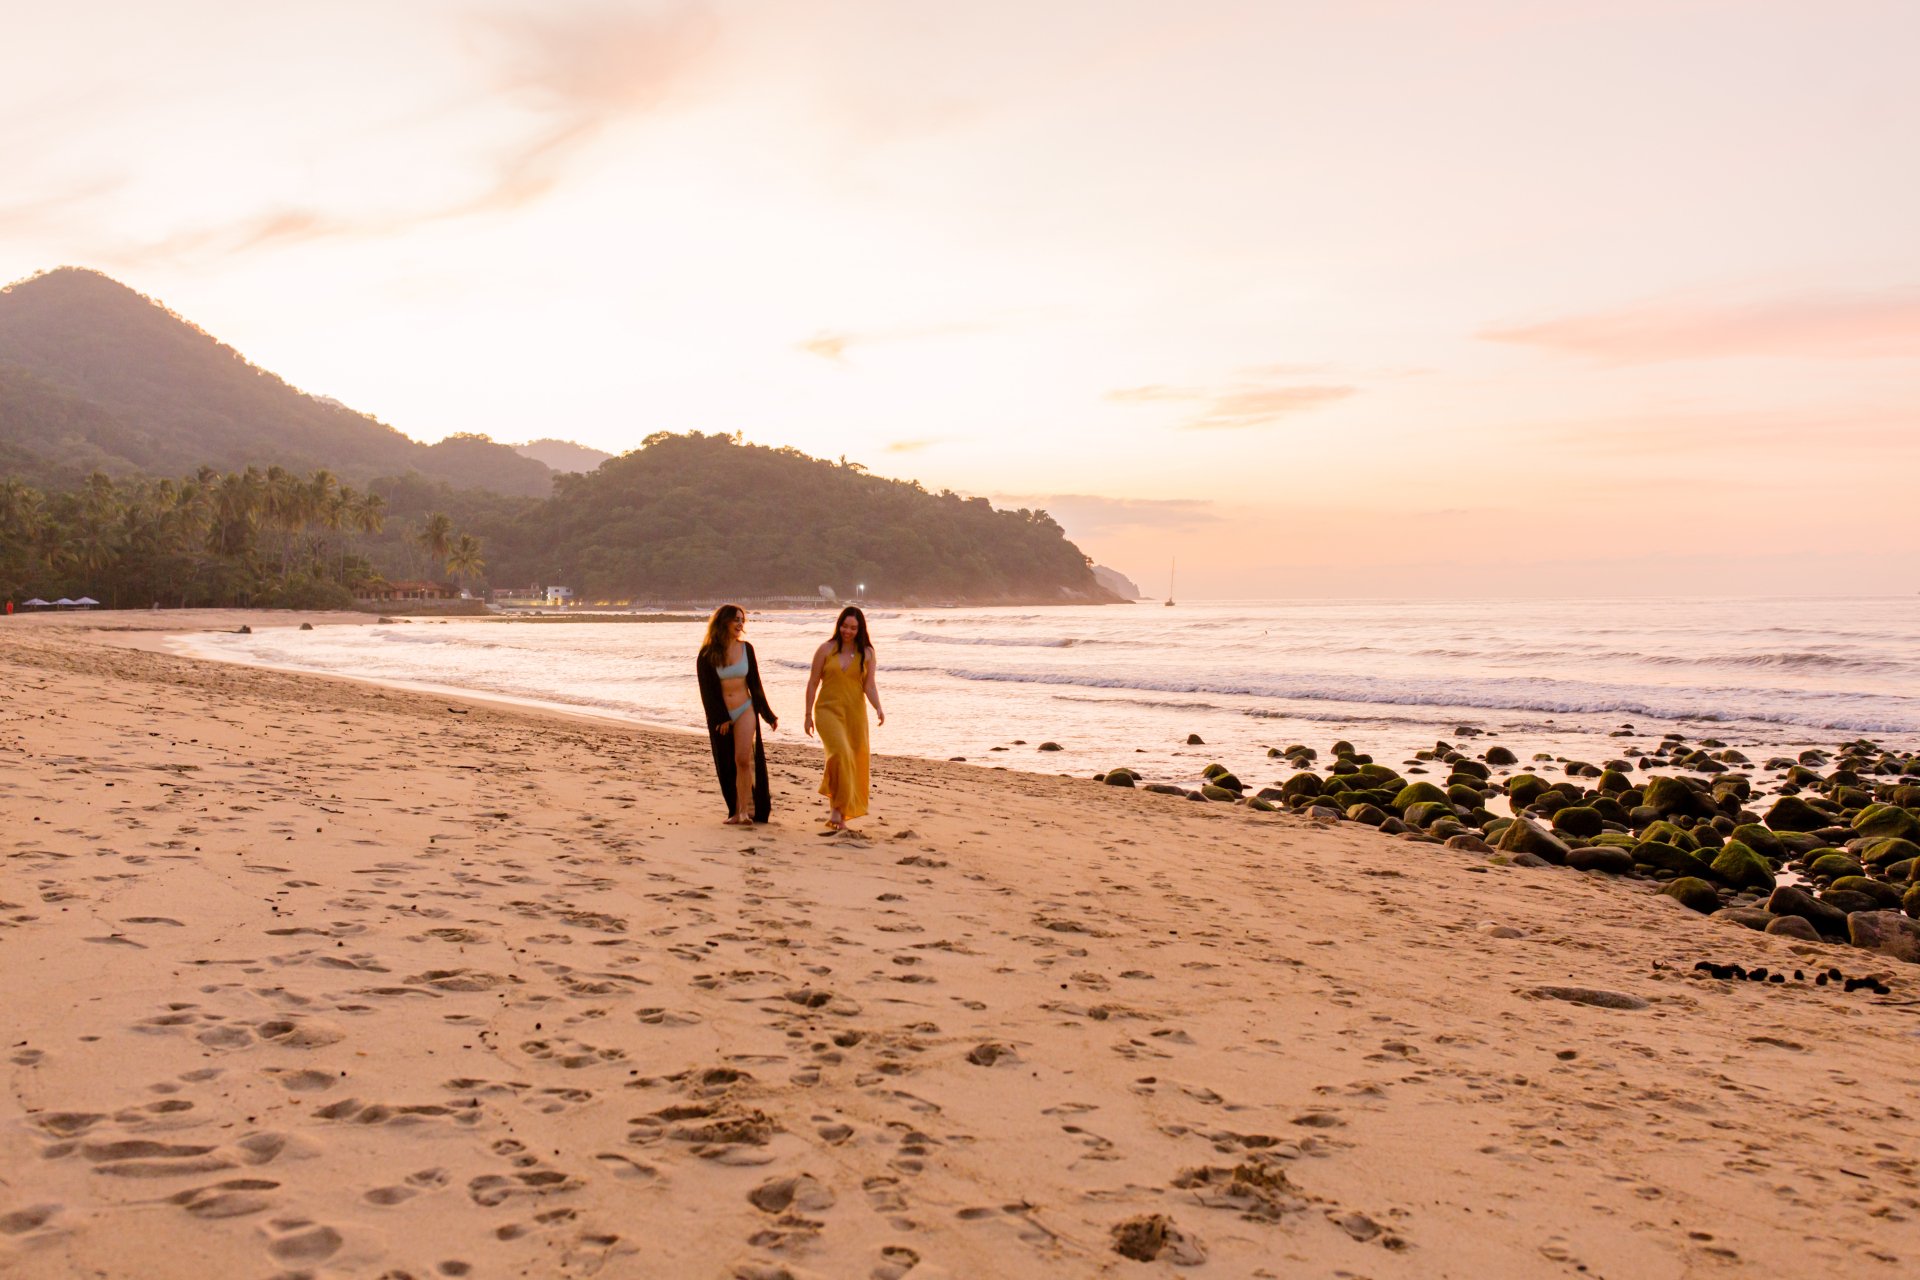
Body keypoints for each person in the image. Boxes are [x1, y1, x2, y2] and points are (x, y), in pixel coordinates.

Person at [695, 604, 778, 825]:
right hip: (723, 713)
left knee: (742, 759)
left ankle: (744, 812)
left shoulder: (746, 649)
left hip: (745, 709)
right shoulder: (707, 654)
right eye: (736, 619)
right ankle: (734, 810)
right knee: (727, 762)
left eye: (742, 620)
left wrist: (768, 715)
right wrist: (720, 717)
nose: (740, 624)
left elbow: (755, 684)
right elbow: (707, 692)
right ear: (724, 622)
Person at [804, 605, 884, 830]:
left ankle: (838, 813)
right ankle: (837, 809)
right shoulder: (825, 649)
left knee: (852, 760)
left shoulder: (867, 653)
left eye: (853, 628)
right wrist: (807, 714)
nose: (847, 631)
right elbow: (813, 683)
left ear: (860, 629)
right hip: (827, 711)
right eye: (844, 626)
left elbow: (869, 686)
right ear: (839, 625)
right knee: (839, 754)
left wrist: (878, 707)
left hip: (855, 714)